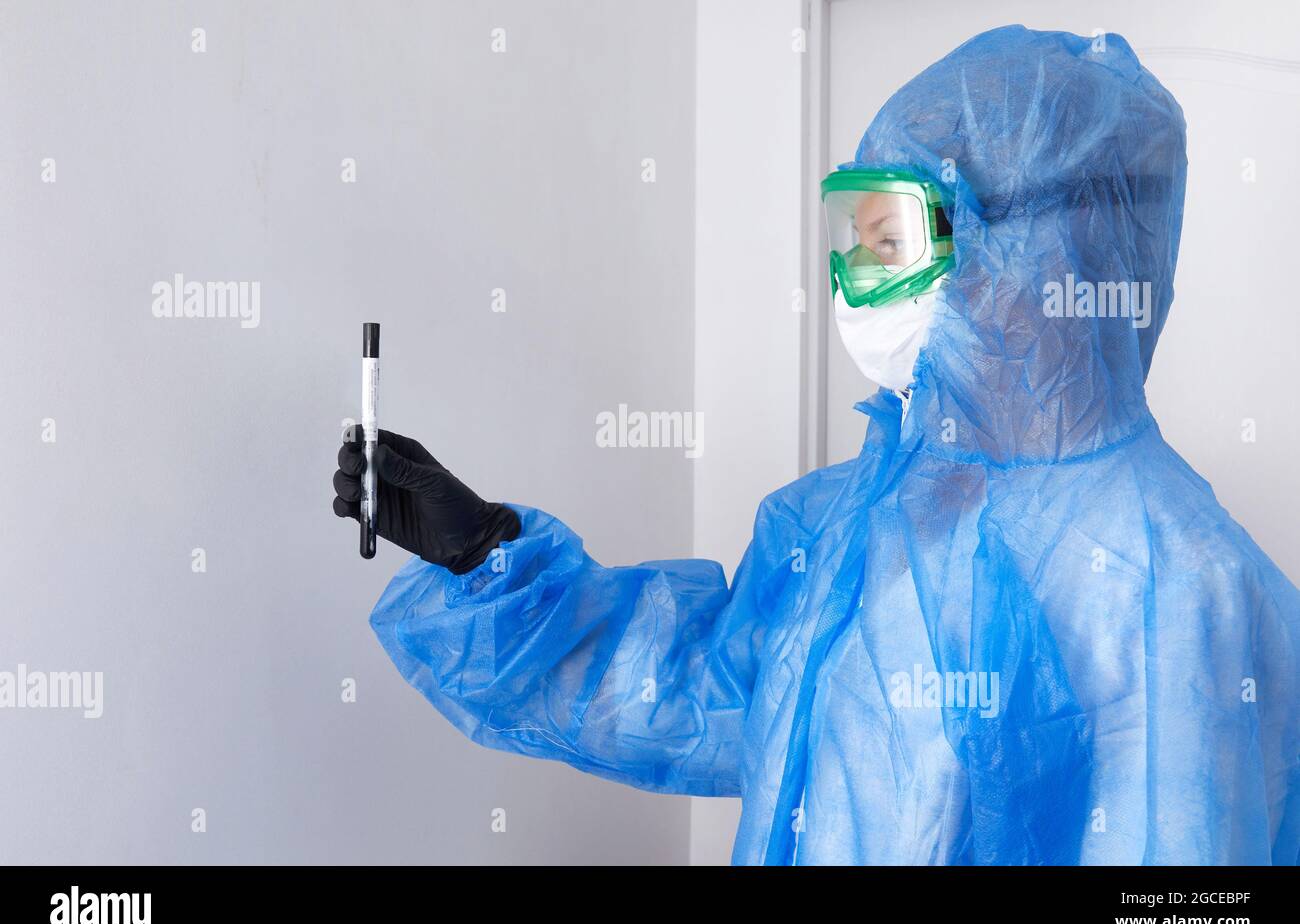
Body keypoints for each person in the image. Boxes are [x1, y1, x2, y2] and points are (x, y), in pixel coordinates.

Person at [332, 25, 1300, 865]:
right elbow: (687, 688)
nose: (856, 282)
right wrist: (488, 555)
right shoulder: (853, 521)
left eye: (895, 242)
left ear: (1050, 255)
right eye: (852, 235)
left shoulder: (1179, 585)